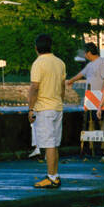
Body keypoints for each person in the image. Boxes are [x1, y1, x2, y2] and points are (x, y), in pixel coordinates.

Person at [27, 33, 66, 188]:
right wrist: (59, 102)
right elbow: (62, 87)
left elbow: (34, 88)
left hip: (44, 109)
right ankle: (54, 175)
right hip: (57, 107)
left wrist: (30, 109)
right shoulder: (60, 63)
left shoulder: (38, 63)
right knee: (54, 144)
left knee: (49, 144)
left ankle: (51, 177)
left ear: (36, 48)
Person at [69, 43, 104, 157]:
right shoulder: (90, 65)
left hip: (100, 98)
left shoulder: (102, 62)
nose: (84, 55)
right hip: (90, 98)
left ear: (88, 53)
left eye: (85, 52)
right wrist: (69, 81)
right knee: (90, 122)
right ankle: (91, 147)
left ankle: (101, 148)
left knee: (100, 122)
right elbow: (81, 74)